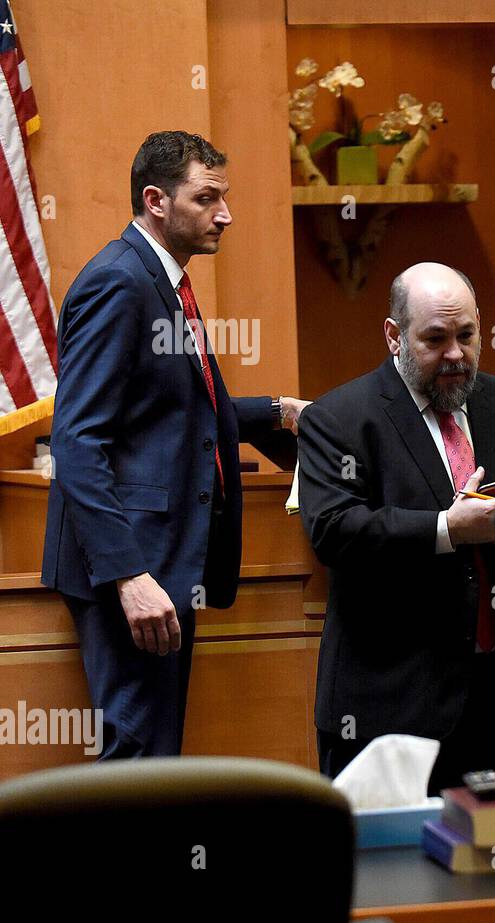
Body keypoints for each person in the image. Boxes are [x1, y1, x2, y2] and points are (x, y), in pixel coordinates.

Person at [42, 130, 307, 758]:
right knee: (137, 758)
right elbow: (77, 440)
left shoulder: (162, 280)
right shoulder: (121, 282)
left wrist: (279, 411)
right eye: (208, 197)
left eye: (226, 196)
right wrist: (129, 575)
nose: (226, 214)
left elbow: (184, 409)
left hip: (164, 560)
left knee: (156, 756)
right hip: (131, 565)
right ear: (156, 200)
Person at [298, 262, 495, 789]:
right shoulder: (338, 418)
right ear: (394, 336)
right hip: (394, 702)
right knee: (397, 869)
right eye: (435, 339)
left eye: (467, 336)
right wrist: (447, 529)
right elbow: (335, 530)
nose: (455, 354)